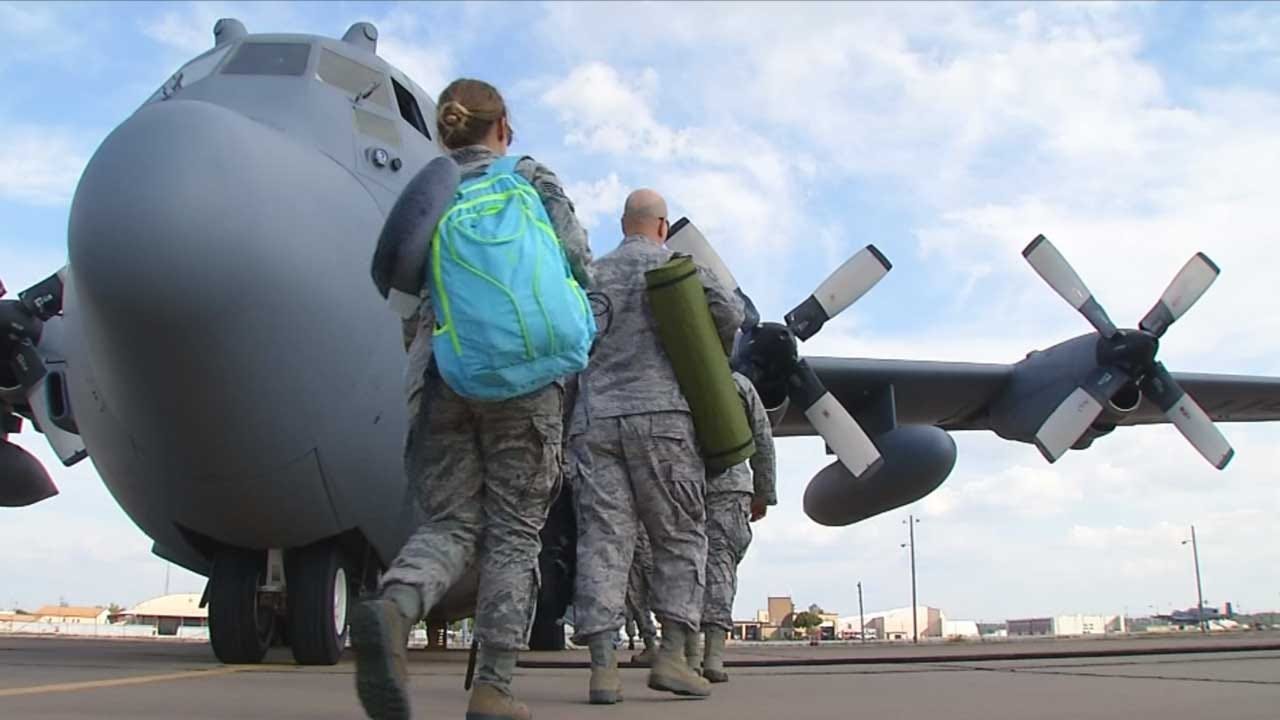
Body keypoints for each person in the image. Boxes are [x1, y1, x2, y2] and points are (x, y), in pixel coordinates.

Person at [351, 78, 592, 720]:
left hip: (442, 374)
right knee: (515, 534)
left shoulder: (425, 193)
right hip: (527, 379)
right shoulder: (531, 181)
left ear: (443, 132)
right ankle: (493, 690)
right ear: (503, 128)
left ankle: (398, 605)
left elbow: (404, 300)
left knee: (451, 524)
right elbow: (578, 264)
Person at [567, 188, 743, 704]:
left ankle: (603, 670)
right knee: (680, 535)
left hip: (595, 421)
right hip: (663, 419)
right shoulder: (682, 269)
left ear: (624, 225)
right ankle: (672, 655)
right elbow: (730, 317)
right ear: (662, 226)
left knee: (603, 540)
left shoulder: (591, 276)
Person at [688, 370, 776, 682]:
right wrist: (764, 493)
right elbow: (763, 440)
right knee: (721, 570)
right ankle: (713, 657)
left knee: (680, 566)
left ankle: (684, 655)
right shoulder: (740, 384)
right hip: (730, 488)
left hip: (683, 487)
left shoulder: (675, 379)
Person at [624, 526, 658, 665]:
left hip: (636, 540)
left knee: (636, 594)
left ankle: (653, 646)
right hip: (657, 540)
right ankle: (680, 650)